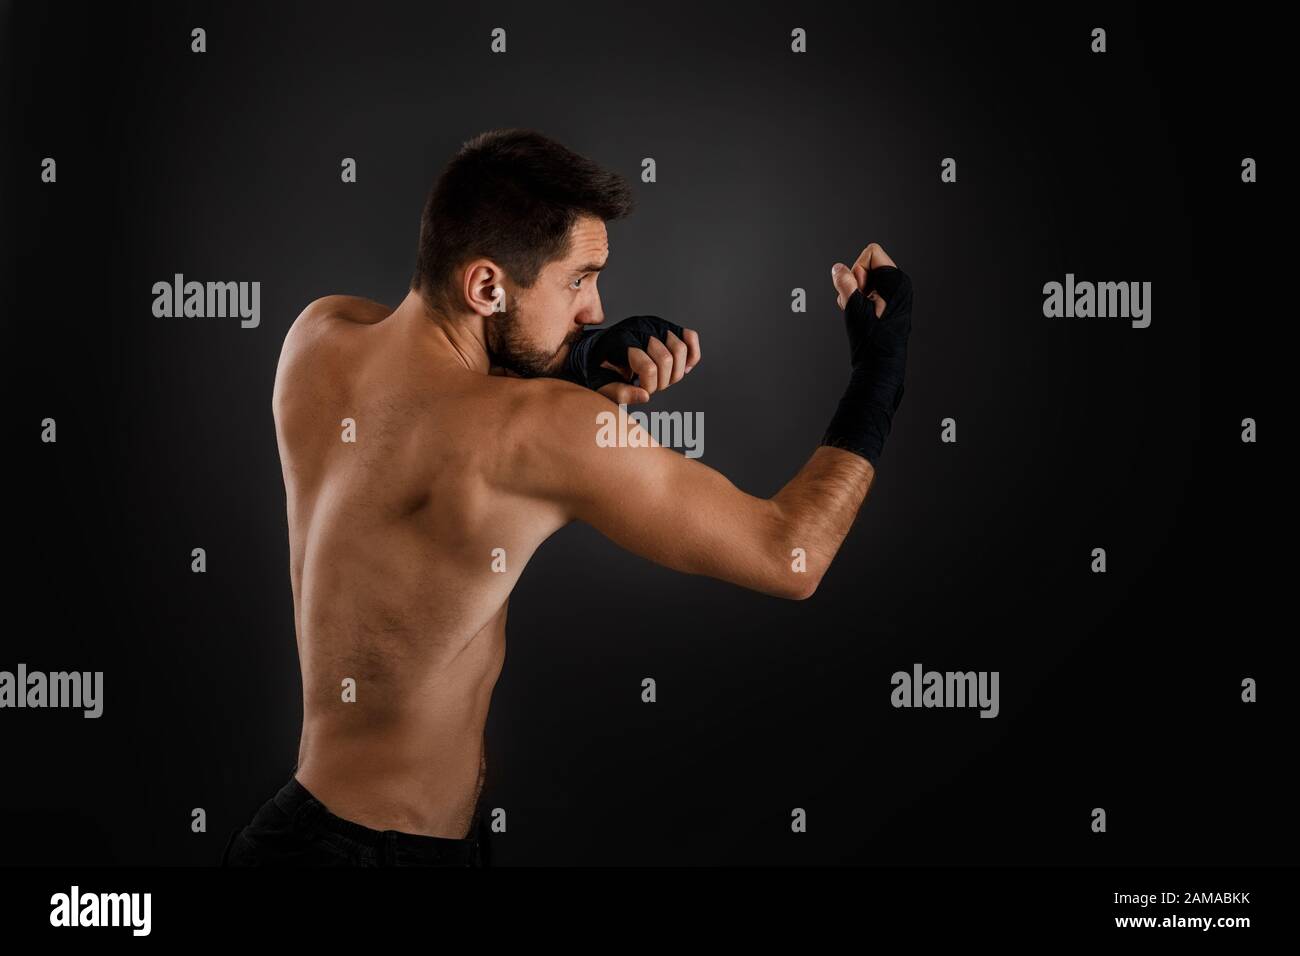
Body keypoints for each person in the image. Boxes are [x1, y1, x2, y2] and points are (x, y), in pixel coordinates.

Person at [222, 127, 912, 866]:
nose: (593, 310)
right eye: (578, 281)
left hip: (299, 837)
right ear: (486, 286)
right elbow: (792, 553)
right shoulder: (545, 431)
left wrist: (571, 363)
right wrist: (880, 370)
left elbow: (440, 410)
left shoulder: (320, 336)